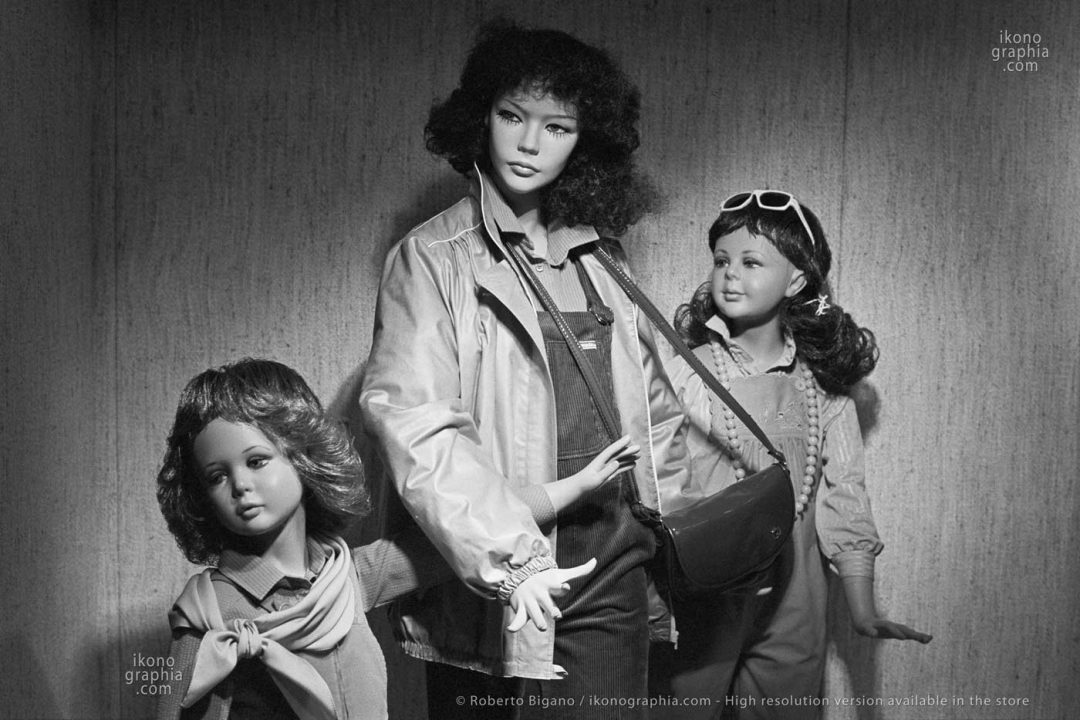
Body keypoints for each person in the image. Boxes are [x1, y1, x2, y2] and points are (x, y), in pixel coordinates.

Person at [358, 20, 690, 719]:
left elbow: (655, 412)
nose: (530, 143)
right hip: (498, 571)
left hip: (614, 565)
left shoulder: (605, 257)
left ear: (586, 141)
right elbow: (417, 426)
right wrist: (515, 561)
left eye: (557, 126)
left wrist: (686, 537)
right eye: (513, 115)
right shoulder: (433, 258)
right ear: (480, 117)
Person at [154, 358, 594, 720]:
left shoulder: (346, 578)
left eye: (257, 460)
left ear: (303, 458)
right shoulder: (207, 611)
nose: (240, 486)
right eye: (217, 476)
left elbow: (470, 527)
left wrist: (577, 486)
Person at [655, 191, 932, 718]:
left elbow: (844, 494)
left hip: (795, 593)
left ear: (798, 280)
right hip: (703, 587)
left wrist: (861, 602)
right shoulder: (682, 372)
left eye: (751, 261)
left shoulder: (822, 390)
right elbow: (656, 480)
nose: (730, 274)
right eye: (721, 260)